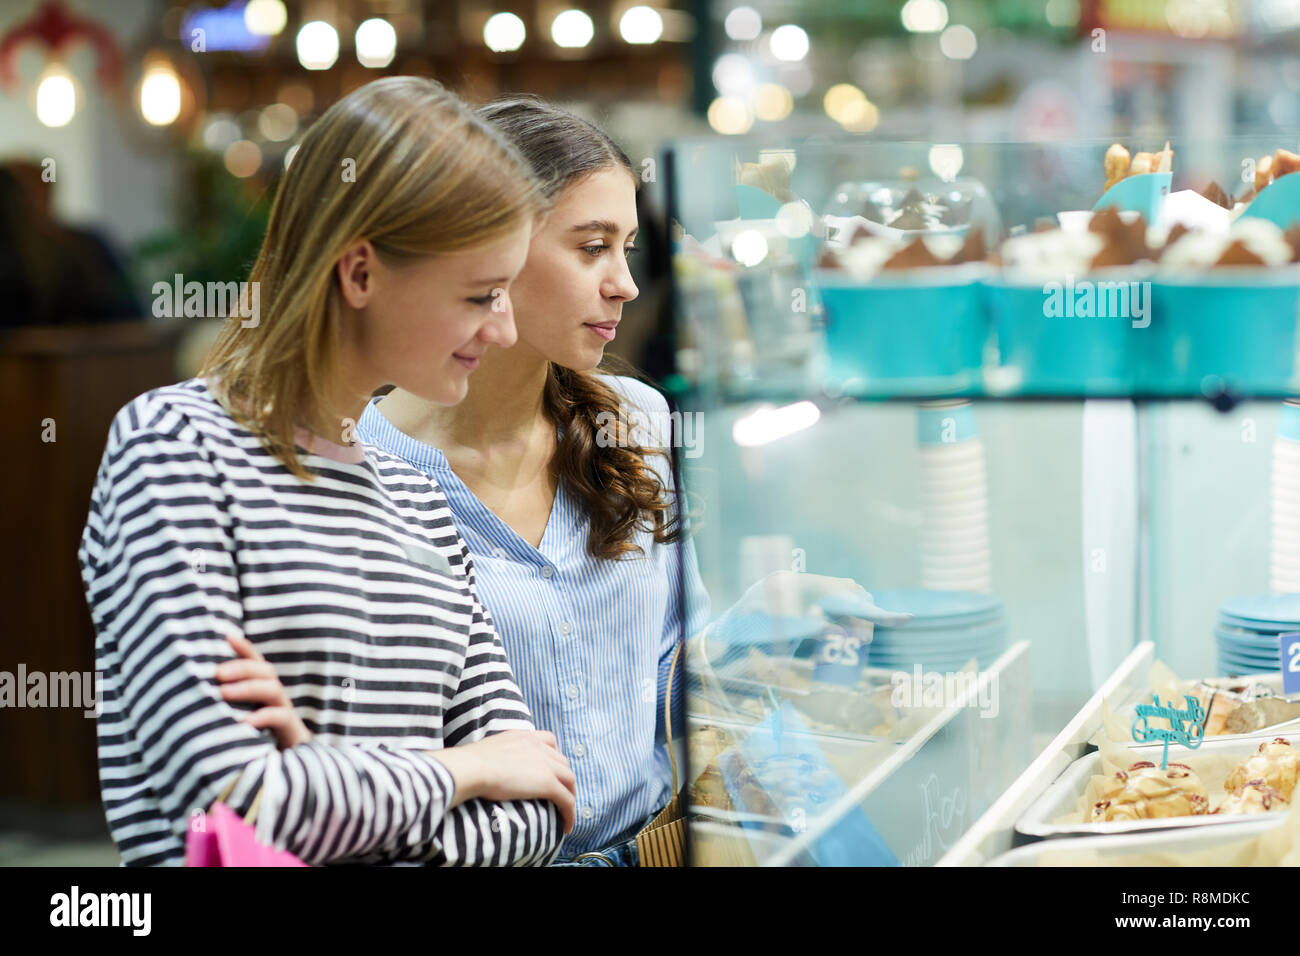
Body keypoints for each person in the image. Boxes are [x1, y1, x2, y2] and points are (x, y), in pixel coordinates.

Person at [76, 76, 574, 867]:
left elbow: (541, 810)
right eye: (482, 295)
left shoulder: (418, 496)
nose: (505, 330)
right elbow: (233, 807)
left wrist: (319, 770)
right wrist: (461, 768)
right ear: (361, 273)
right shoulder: (172, 448)